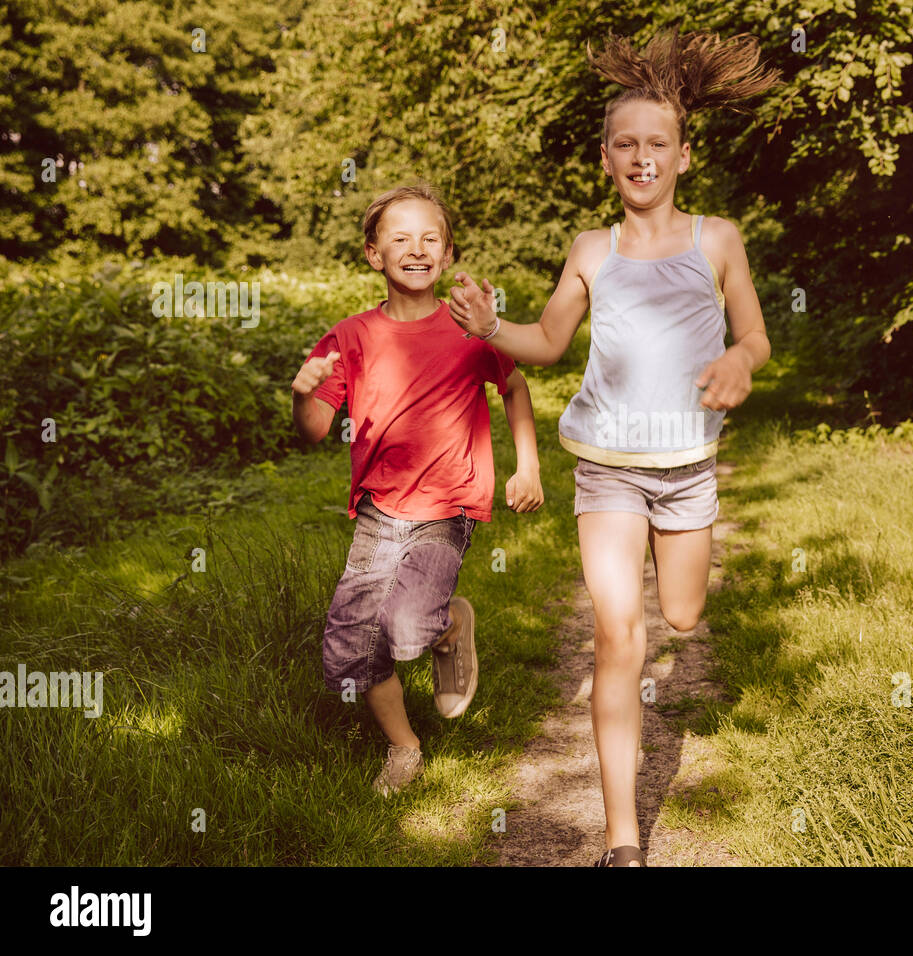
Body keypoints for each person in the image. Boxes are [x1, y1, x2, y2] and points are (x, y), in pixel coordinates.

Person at [447, 31, 778, 865]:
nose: (641, 157)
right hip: (607, 470)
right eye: (625, 145)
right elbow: (550, 341)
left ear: (683, 156)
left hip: (687, 471)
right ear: (605, 159)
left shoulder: (718, 241)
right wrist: (493, 328)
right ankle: (623, 840)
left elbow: (758, 337)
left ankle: (667, 625)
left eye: (656, 144)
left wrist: (740, 360)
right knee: (618, 635)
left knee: (682, 615)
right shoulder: (593, 250)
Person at [292, 183, 544, 796]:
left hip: (447, 504)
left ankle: (446, 625)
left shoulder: (469, 328)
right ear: (374, 255)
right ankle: (404, 749)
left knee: (404, 628)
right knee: (351, 650)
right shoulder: (348, 338)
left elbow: (514, 389)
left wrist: (527, 466)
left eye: (430, 238)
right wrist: (303, 394)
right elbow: (313, 434)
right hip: (379, 509)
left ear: (448, 253)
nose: (415, 248)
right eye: (399, 238)